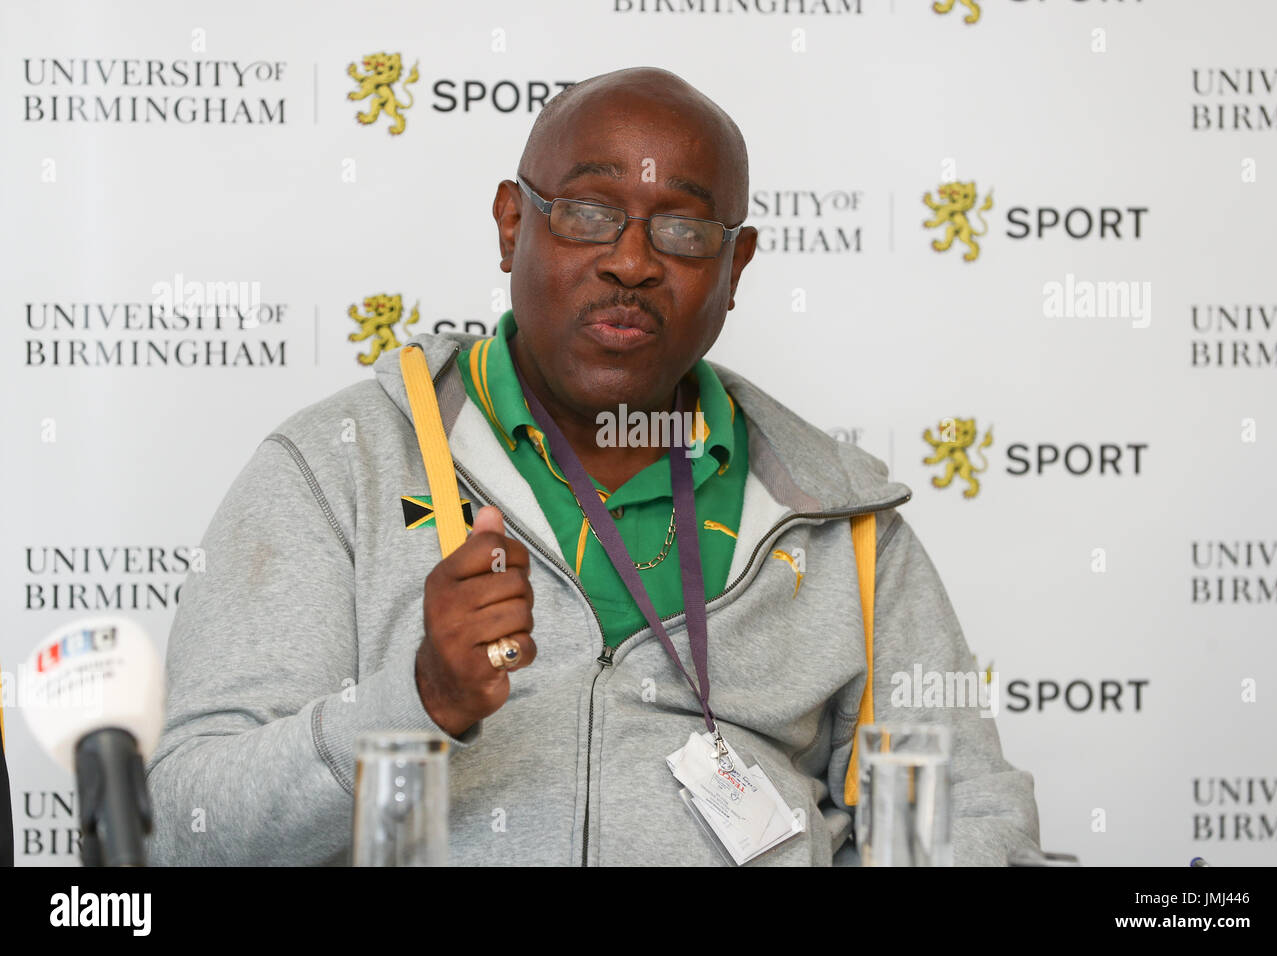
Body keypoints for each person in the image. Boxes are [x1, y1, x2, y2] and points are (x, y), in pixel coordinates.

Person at [146, 66, 1039, 866]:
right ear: (510, 225)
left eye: (685, 230)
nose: (630, 261)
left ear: (737, 265)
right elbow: (184, 824)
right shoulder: (336, 471)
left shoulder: (843, 522)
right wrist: (416, 702)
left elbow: (961, 820)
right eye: (586, 213)